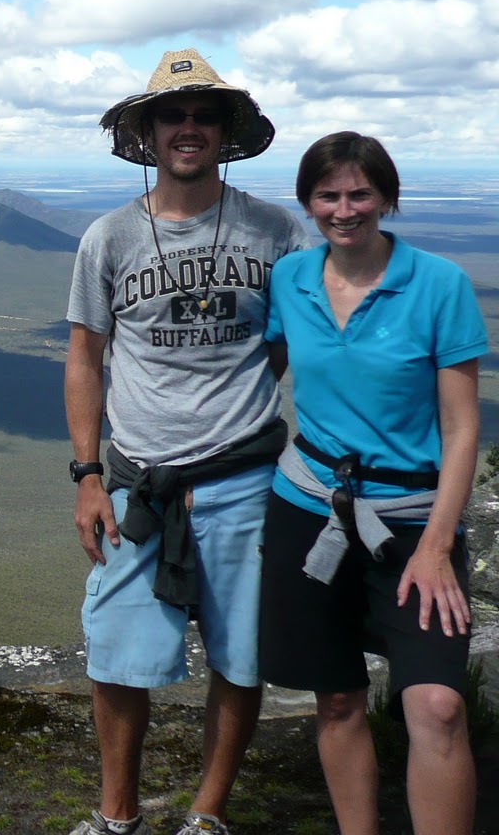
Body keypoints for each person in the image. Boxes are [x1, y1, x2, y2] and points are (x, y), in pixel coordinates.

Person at [65, 48, 309, 835]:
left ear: (227, 130)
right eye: (175, 114)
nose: (190, 127)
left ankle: (206, 816)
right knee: (115, 657)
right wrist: (88, 476)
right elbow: (86, 359)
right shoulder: (108, 239)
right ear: (148, 129)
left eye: (206, 115)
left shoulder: (276, 230)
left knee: (241, 658)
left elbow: (288, 342)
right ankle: (117, 817)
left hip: (245, 481)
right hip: (141, 486)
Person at [260, 131, 487, 835]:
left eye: (360, 193)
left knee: (439, 706)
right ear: (306, 203)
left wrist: (435, 548)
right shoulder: (290, 281)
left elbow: (462, 429)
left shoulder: (438, 284)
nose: (345, 208)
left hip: (414, 521)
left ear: (387, 198)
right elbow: (257, 374)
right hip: (309, 508)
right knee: (336, 699)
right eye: (328, 194)